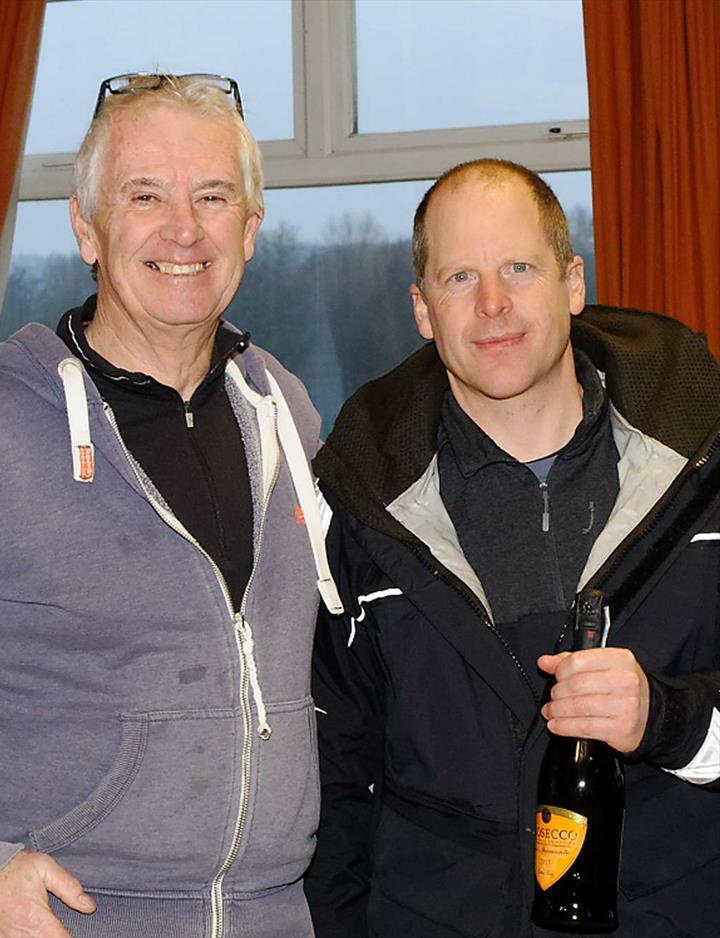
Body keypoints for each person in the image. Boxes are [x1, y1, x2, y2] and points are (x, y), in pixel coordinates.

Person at [0, 73, 341, 938]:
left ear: (251, 230)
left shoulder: (287, 414)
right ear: (87, 227)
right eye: (144, 195)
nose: (183, 229)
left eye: (214, 197)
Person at [305, 159, 720, 937]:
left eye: (518, 268)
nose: (492, 304)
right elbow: (335, 782)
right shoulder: (360, 509)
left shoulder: (704, 471)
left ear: (572, 282)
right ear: (423, 310)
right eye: (459, 277)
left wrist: (671, 719)